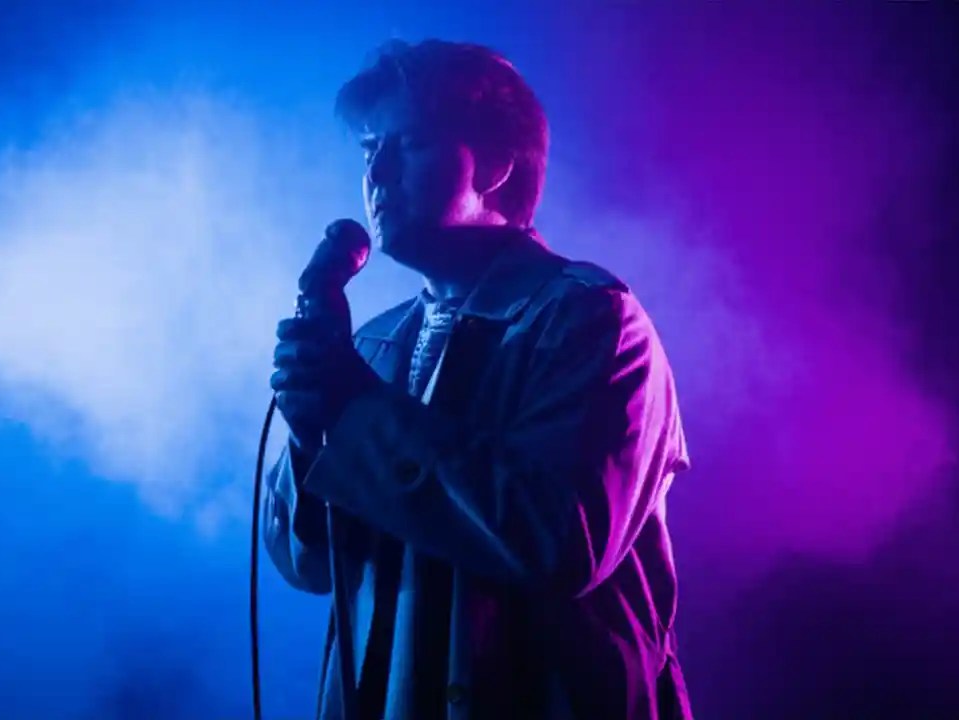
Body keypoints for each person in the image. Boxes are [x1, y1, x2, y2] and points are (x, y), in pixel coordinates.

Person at [265, 39, 693, 720]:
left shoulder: (589, 321)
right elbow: (306, 566)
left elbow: (563, 540)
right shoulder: (373, 345)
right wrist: (310, 433)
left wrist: (355, 411)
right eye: (368, 149)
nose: (376, 173)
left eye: (406, 143)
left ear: (494, 164)